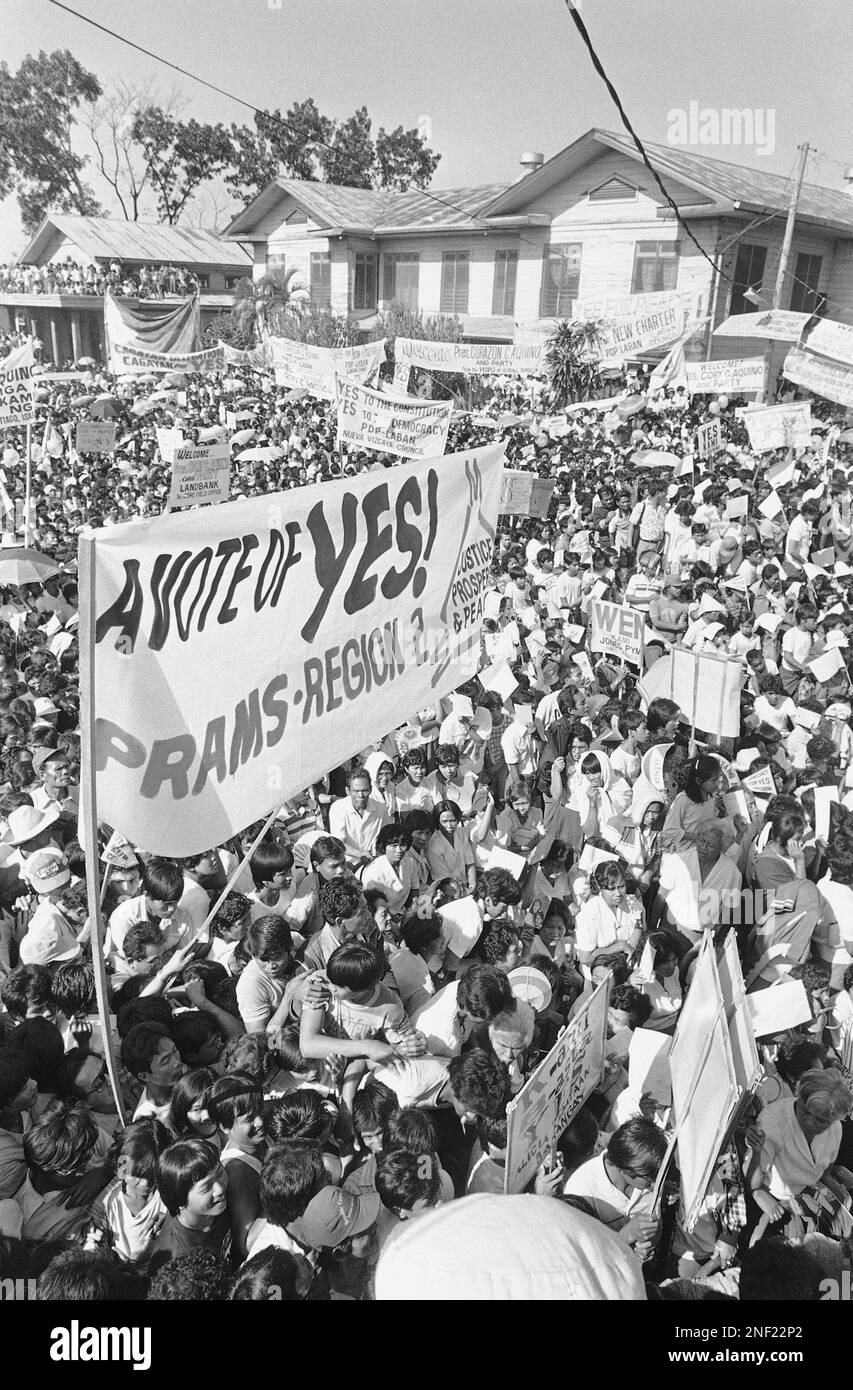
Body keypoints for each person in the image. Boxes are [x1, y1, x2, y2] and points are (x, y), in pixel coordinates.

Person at [563, 1116, 667, 1257]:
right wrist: (625, 1236)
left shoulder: (648, 1174)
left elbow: (656, 1227)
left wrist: (647, 1246)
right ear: (628, 1171)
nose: (656, 1184)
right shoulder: (580, 1190)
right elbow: (581, 1257)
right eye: (650, 1179)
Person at [150, 1139, 230, 1265]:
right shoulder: (175, 1258)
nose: (220, 1189)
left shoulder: (220, 1202)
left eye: (220, 1174)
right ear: (179, 1199)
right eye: (206, 1187)